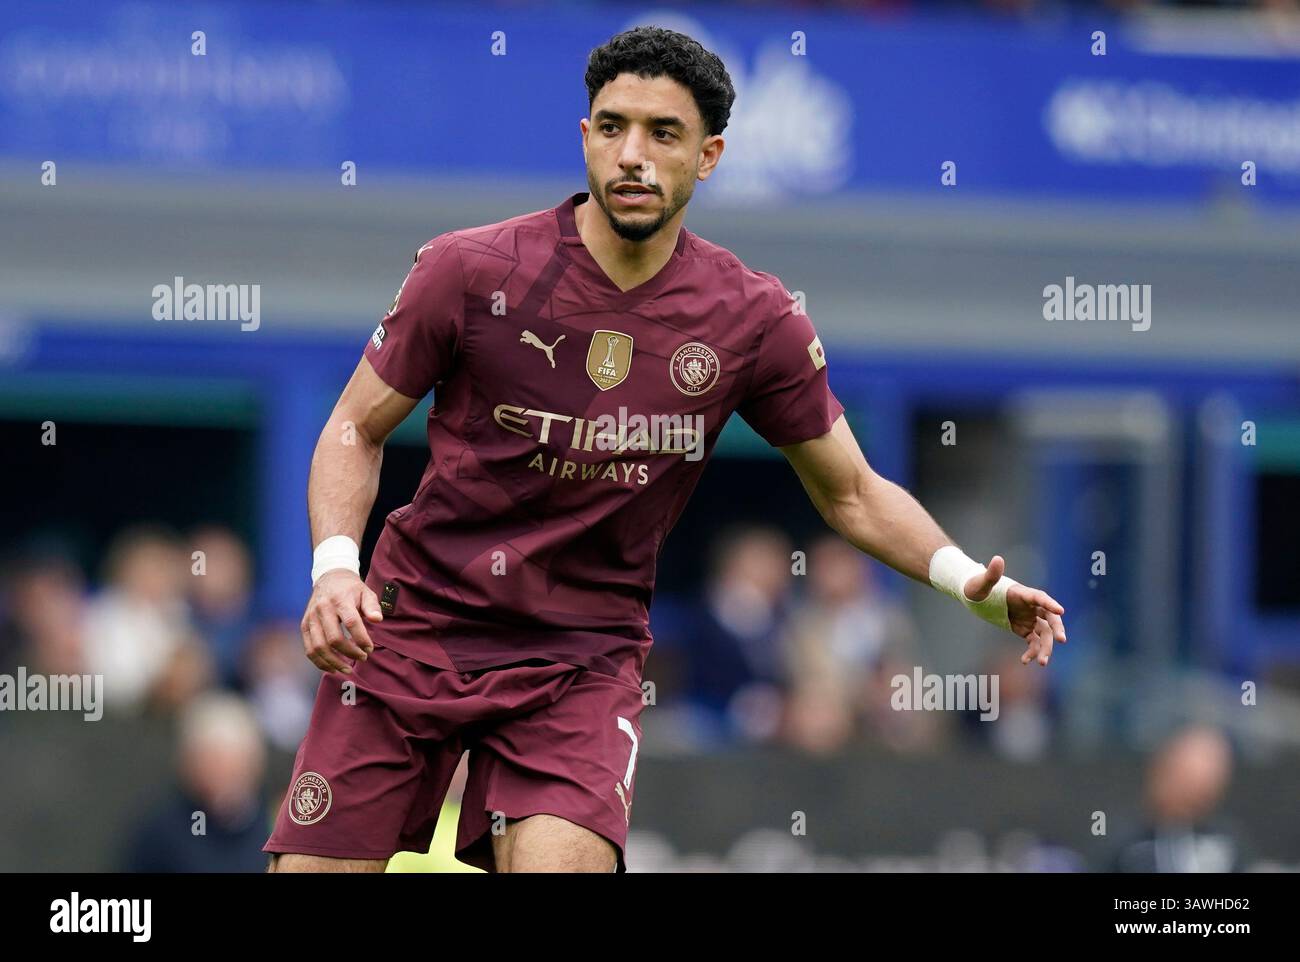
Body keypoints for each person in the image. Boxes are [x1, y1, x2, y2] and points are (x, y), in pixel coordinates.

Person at [265, 26, 1068, 874]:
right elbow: (354, 426)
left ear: (710, 155)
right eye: (612, 128)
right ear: (584, 139)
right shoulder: (469, 270)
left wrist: (967, 584)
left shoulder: (754, 319)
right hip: (412, 626)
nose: (632, 156)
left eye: (663, 134)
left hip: (578, 659)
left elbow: (853, 493)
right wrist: (335, 570)